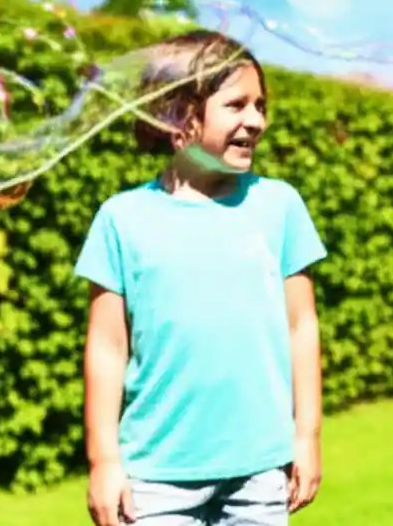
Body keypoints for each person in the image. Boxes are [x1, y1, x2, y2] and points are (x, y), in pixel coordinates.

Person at [76, 30, 327, 526]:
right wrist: (104, 461)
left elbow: (302, 327)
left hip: (259, 471)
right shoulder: (121, 218)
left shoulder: (279, 206)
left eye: (260, 105)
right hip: (154, 477)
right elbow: (106, 347)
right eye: (236, 105)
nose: (255, 121)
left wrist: (307, 436)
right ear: (178, 116)